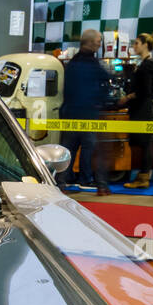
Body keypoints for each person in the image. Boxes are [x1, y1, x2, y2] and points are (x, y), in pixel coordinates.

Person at [59, 28, 112, 195]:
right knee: (91, 148)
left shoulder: (72, 63)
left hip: (69, 113)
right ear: (89, 43)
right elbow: (106, 79)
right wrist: (104, 100)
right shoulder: (91, 64)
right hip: (87, 114)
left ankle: (61, 182)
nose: (99, 44)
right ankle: (87, 180)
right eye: (98, 41)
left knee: (69, 149)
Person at [121, 32, 153, 188]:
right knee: (144, 143)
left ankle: (143, 178)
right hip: (142, 108)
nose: (134, 46)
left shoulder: (146, 67)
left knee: (145, 143)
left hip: (142, 109)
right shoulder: (144, 65)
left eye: (137, 43)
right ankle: (142, 177)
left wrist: (128, 97)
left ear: (145, 45)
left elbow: (146, 91)